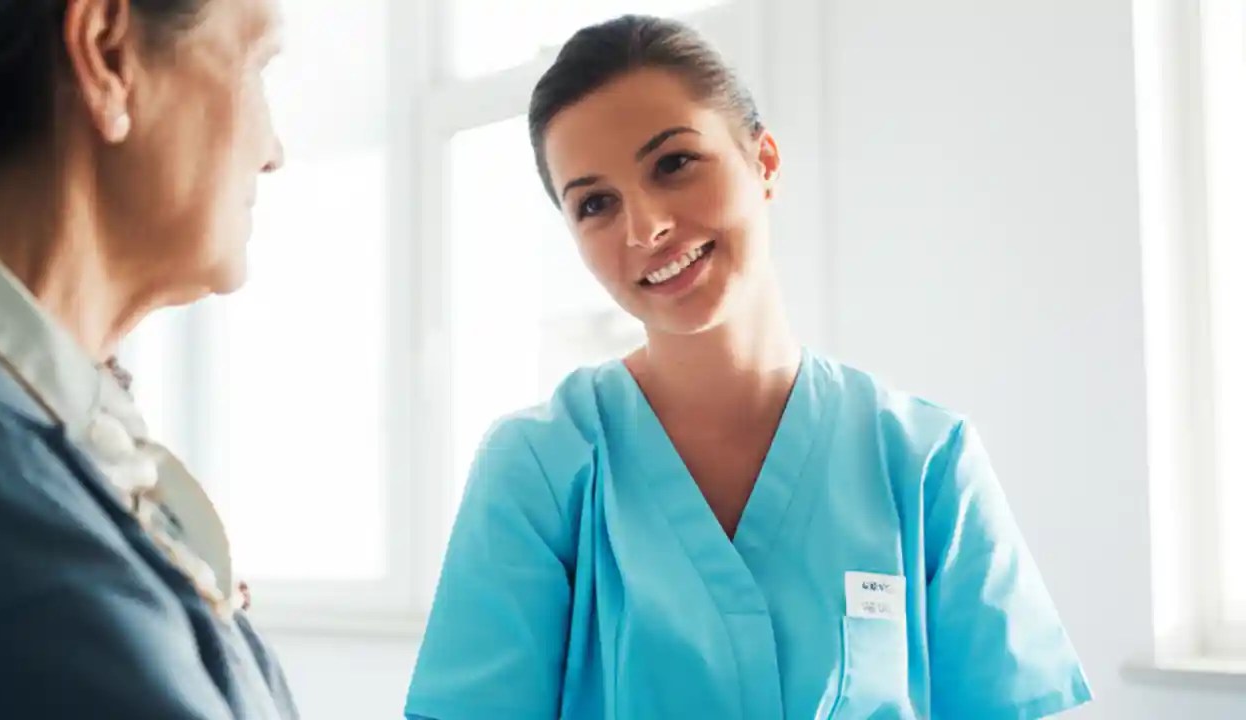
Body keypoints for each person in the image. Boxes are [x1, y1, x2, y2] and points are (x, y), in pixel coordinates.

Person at [406, 14, 1092, 720]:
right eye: (596, 204)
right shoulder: (541, 470)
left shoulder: (923, 463)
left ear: (763, 162)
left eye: (672, 164)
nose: (644, 228)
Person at [0, 0, 296, 717]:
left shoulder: (62, 450)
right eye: (259, 66)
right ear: (109, 56)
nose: (274, 150)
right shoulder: (15, 546)